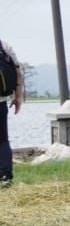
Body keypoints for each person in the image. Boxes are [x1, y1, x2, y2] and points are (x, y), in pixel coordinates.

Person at [0, 38, 24, 186]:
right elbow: (17, 72)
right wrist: (18, 96)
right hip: (0, 101)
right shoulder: (3, 45)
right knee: (2, 140)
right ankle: (5, 176)